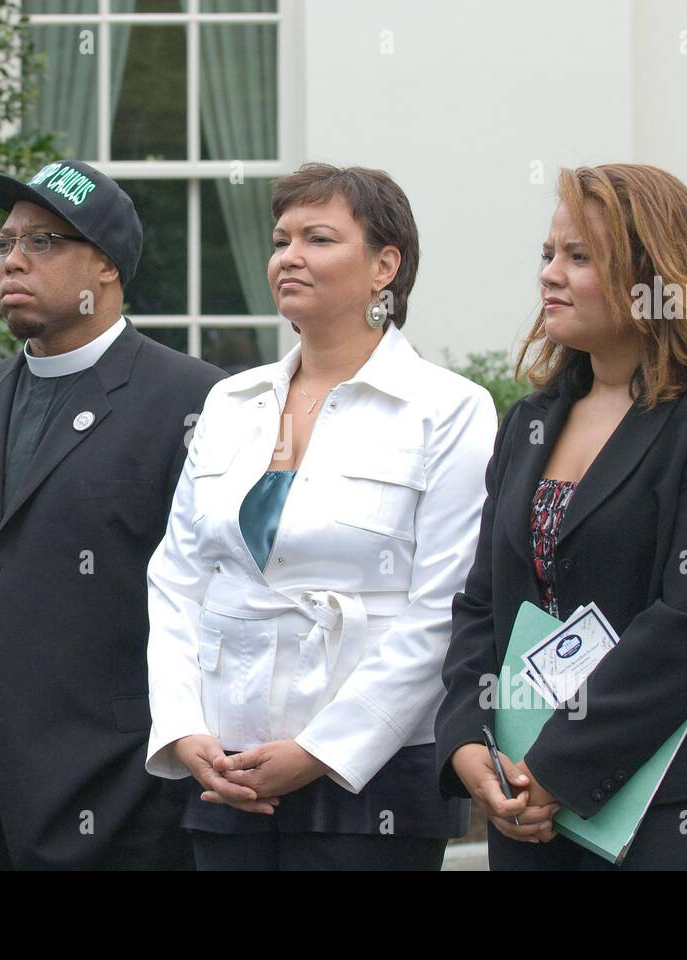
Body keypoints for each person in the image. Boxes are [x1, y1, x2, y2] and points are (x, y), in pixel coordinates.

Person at [0, 159, 224, 869]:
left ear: (106, 267)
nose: (12, 262)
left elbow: (213, 599)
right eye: (3, 245)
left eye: (42, 242)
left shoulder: (194, 402)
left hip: (125, 791)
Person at [145, 163, 498, 870]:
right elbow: (177, 581)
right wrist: (184, 730)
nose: (289, 257)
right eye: (280, 240)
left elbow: (443, 606)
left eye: (319, 238)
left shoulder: (449, 410)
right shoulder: (229, 402)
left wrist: (321, 750)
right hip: (227, 769)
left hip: (377, 777)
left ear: (384, 266)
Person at [434, 163, 687, 870]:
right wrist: (469, 741)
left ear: (653, 276)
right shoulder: (530, 421)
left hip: (680, 808)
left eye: (579, 257)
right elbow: (483, 602)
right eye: (546, 254)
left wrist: (560, 768)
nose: (549, 275)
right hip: (528, 806)